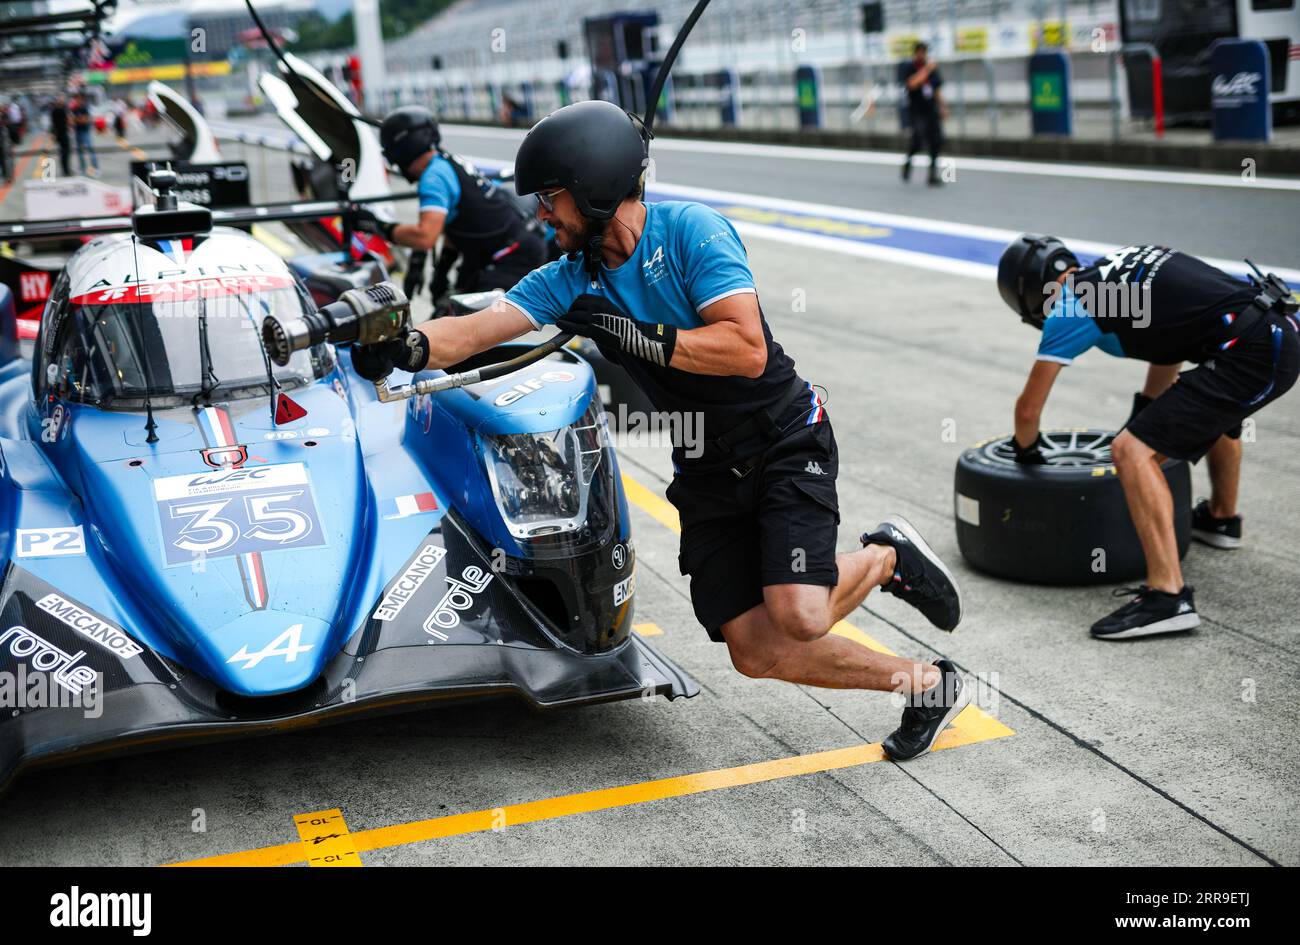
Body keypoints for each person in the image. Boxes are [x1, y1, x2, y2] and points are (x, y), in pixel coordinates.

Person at [351, 100, 971, 761]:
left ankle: (884, 557)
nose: (541, 214)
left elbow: (744, 349)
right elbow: (479, 329)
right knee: (756, 652)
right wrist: (405, 345)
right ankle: (928, 685)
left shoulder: (692, 233)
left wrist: (626, 331)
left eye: (551, 198)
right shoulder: (570, 276)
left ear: (591, 190)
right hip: (706, 465)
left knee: (800, 615)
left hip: (783, 437)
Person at [998, 235, 1299, 639]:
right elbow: (1170, 338)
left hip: (1251, 352)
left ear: (1029, 293)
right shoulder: (1117, 268)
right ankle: (1220, 521)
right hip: (1275, 331)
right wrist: (1147, 412)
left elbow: (1027, 411)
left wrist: (1027, 453)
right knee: (1208, 419)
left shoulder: (1071, 305)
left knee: (1130, 451)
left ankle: (1167, 596)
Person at [354, 105, 545, 301]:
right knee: (449, 309)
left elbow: (425, 236)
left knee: (467, 324)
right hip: (509, 247)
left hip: (510, 256)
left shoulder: (433, 178)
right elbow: (458, 220)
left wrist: (380, 227)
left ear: (403, 148)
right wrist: (442, 269)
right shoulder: (444, 162)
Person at [898, 42, 947, 186]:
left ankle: (932, 174)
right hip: (916, 110)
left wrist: (943, 107)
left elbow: (936, 89)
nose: (922, 55)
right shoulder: (908, 67)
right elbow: (912, 84)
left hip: (931, 109)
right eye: (919, 52)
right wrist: (927, 69)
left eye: (924, 52)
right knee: (918, 139)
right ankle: (908, 162)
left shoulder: (932, 69)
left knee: (936, 140)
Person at [69, 94, 97, 177]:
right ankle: (83, 169)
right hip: (77, 132)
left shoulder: (84, 109)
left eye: (78, 99)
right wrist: (77, 119)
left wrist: (76, 119)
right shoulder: (74, 109)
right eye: (76, 99)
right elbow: (70, 121)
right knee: (80, 152)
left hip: (85, 131)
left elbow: (84, 121)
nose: (77, 101)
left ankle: (95, 168)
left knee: (90, 149)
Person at [49, 96, 72, 177]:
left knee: (62, 152)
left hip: (58, 134)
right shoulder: (62, 110)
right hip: (63, 134)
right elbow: (68, 121)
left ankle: (65, 170)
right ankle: (66, 170)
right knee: (65, 153)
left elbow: (52, 124)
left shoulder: (53, 111)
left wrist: (53, 134)